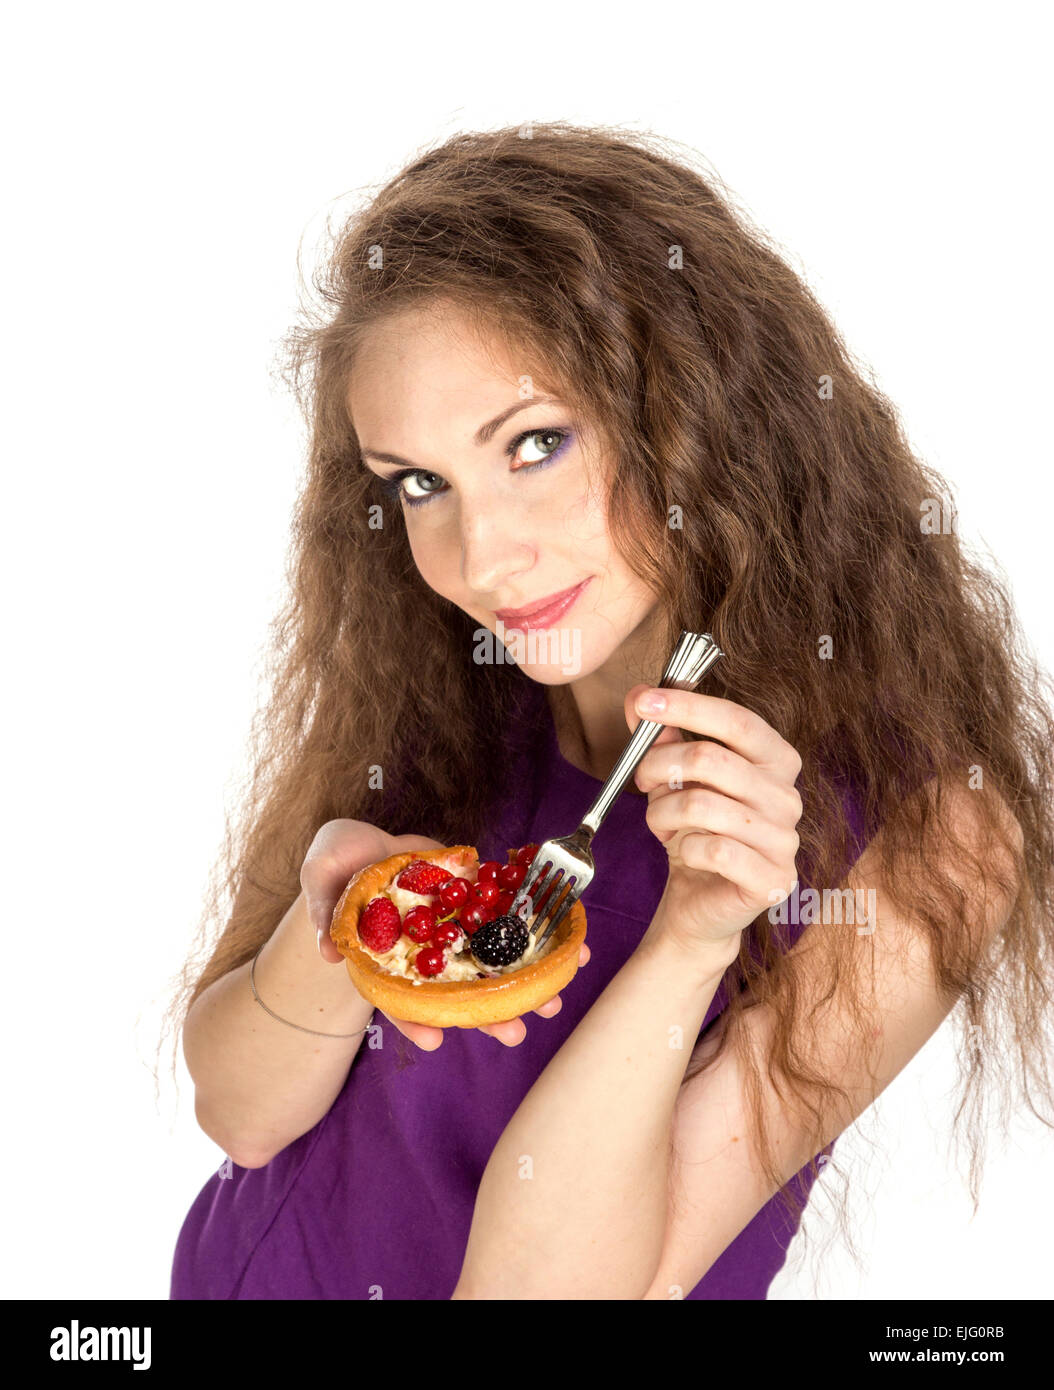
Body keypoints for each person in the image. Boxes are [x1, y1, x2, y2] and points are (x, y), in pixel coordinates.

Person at [160, 122, 1053, 1300]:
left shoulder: (929, 835)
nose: (482, 556)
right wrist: (339, 935)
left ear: (700, 414)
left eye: (536, 444)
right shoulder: (437, 688)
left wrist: (690, 942)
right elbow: (242, 1117)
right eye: (419, 483)